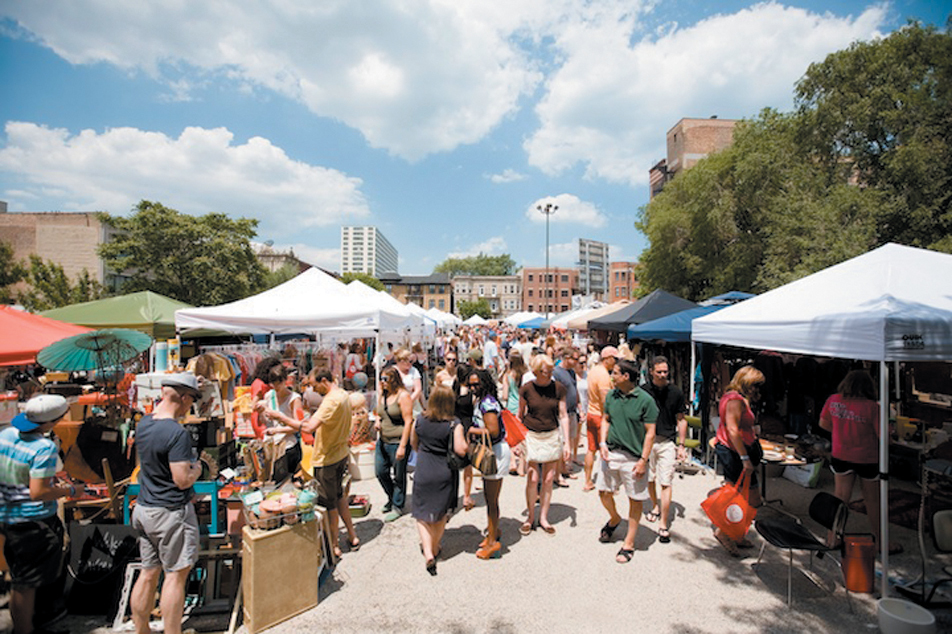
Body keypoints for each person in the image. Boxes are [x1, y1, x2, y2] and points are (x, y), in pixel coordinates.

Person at [131, 374, 204, 634]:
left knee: (148, 572)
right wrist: (198, 469)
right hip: (170, 511)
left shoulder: (145, 424)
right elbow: (182, 479)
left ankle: (142, 630)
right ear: (183, 398)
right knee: (175, 575)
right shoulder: (176, 433)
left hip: (145, 507)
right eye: (191, 400)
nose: (190, 407)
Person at [0, 395, 74, 634]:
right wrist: (70, 490)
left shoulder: (6, 435)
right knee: (25, 583)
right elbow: (38, 491)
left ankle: (32, 624)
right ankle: (23, 630)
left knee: (22, 577)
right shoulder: (43, 448)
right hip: (32, 520)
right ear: (54, 421)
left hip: (8, 514)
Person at [818, 369, 900, 554]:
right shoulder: (873, 407)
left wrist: (840, 432)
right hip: (867, 458)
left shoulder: (834, 400)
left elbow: (823, 424)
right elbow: (884, 437)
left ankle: (832, 537)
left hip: (840, 454)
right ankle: (880, 541)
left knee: (840, 497)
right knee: (872, 500)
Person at [596, 359, 658, 564]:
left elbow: (650, 433)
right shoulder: (611, 396)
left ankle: (629, 543)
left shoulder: (646, 400)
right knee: (603, 492)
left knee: (635, 498)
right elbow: (606, 419)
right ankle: (614, 518)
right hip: (611, 452)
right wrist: (602, 443)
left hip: (634, 457)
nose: (611, 376)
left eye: (614, 373)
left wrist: (643, 460)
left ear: (626, 377)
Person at [411, 386, 467, 575]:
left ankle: (428, 553)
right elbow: (461, 450)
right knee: (441, 512)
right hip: (444, 471)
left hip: (424, 469)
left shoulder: (419, 419)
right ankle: (435, 547)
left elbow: (414, 443)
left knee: (422, 513)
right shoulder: (454, 424)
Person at [302, 370, 359, 557]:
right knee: (339, 496)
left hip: (327, 458)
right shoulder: (343, 394)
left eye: (313, 385)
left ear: (324, 380)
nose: (312, 389)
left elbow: (310, 427)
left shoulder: (330, 400)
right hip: (340, 453)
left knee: (329, 504)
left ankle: (334, 545)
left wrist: (282, 419)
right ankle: (352, 536)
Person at [712, 365, 765, 557]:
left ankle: (736, 533)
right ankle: (726, 532)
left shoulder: (732, 396)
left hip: (736, 450)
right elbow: (733, 430)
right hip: (735, 452)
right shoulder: (735, 399)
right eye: (756, 385)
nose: (757, 389)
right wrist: (745, 458)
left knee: (739, 494)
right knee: (746, 497)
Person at [518, 354, 570, 536]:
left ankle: (544, 518)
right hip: (532, 434)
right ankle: (530, 516)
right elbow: (520, 415)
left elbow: (563, 415)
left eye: (550, 371)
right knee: (532, 477)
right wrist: (518, 441)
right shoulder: (526, 389)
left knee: (548, 479)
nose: (549, 374)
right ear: (536, 371)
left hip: (551, 433)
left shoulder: (558, 388)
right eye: (545, 371)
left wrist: (567, 443)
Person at [641, 356, 687, 544]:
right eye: (659, 372)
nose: (662, 375)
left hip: (667, 441)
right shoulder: (642, 392)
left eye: (665, 372)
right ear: (651, 371)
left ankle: (663, 523)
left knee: (666, 482)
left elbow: (681, 419)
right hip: (647, 442)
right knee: (650, 479)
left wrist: (682, 445)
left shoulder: (676, 392)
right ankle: (654, 505)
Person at [467, 369, 510, 559]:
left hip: (496, 453)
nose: (473, 388)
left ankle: (493, 543)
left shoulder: (487, 403)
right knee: (490, 499)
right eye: (470, 384)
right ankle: (493, 532)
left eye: (476, 384)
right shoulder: (484, 401)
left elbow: (492, 430)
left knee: (491, 501)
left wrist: (471, 430)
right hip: (494, 452)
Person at [374, 367, 413, 522]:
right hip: (383, 440)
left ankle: (398, 504)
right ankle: (392, 496)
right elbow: (378, 412)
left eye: (385, 379)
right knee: (380, 471)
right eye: (381, 379)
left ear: (393, 379)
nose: (382, 382)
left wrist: (403, 446)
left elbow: (409, 420)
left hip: (398, 441)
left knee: (398, 475)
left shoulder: (403, 396)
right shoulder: (383, 395)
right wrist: (377, 420)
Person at [257, 363, 305, 477]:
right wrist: (260, 413)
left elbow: (298, 426)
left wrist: (277, 430)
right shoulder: (269, 395)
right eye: (273, 384)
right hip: (271, 447)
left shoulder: (294, 399)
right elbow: (266, 421)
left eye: (279, 384)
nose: (276, 387)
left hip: (288, 446)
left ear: (285, 380)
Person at [584, 346, 619, 491]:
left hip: (591, 413)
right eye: (615, 359)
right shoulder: (604, 375)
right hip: (600, 416)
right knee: (606, 450)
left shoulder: (593, 370)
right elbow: (605, 401)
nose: (616, 362)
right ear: (608, 358)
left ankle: (587, 481)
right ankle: (608, 485)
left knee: (591, 449)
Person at [552, 347, 580, 486]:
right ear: (567, 358)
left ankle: (564, 468)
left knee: (569, 439)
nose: (577, 362)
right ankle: (558, 474)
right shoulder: (556, 372)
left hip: (572, 411)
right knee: (562, 443)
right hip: (562, 413)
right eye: (575, 359)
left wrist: (579, 404)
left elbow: (574, 388)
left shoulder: (571, 372)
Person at [501, 350, 529, 476]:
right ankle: (522, 467)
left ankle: (512, 462)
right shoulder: (525, 375)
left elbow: (505, 396)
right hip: (524, 407)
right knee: (523, 437)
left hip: (510, 408)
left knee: (511, 437)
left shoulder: (507, 376)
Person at [394, 348, 424, 414]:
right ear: (401, 361)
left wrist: (409, 401)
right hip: (395, 403)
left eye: (412, 361)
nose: (411, 364)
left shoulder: (414, 371)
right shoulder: (393, 371)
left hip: (412, 403)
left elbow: (418, 389)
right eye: (410, 361)